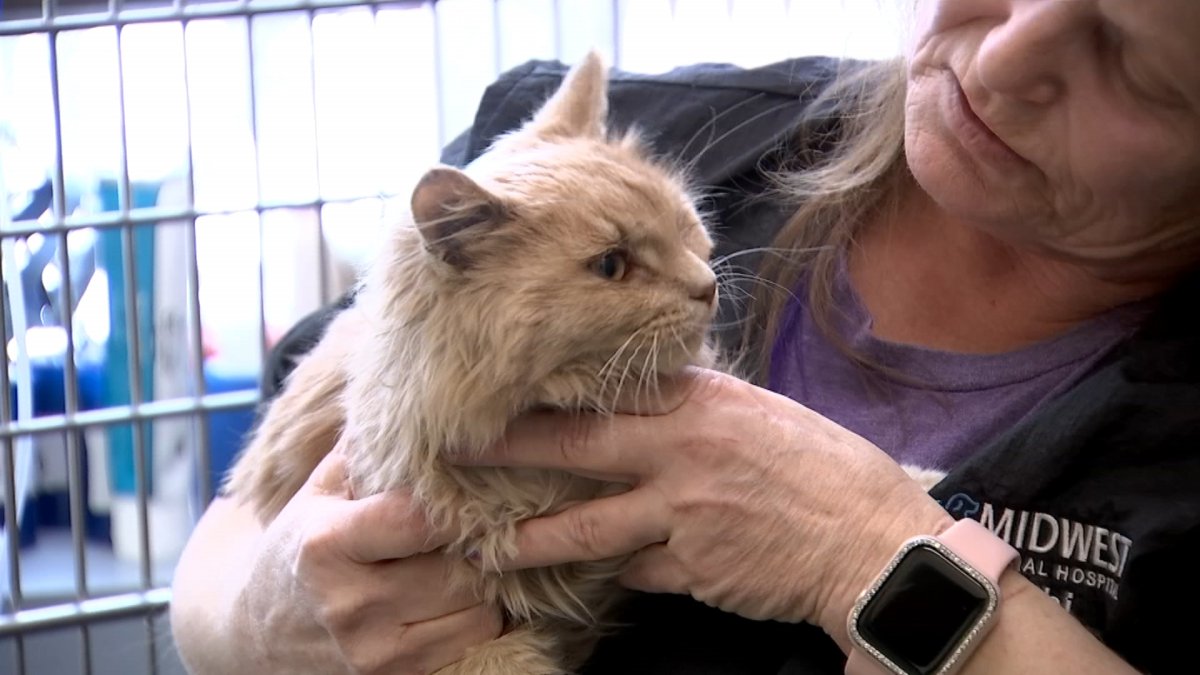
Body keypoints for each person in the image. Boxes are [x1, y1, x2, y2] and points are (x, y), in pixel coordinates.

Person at [169, 1, 1200, 673]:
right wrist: (261, 621)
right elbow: (238, 528)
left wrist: (870, 558)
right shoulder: (605, 136)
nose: (1008, 53)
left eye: (1133, 58)